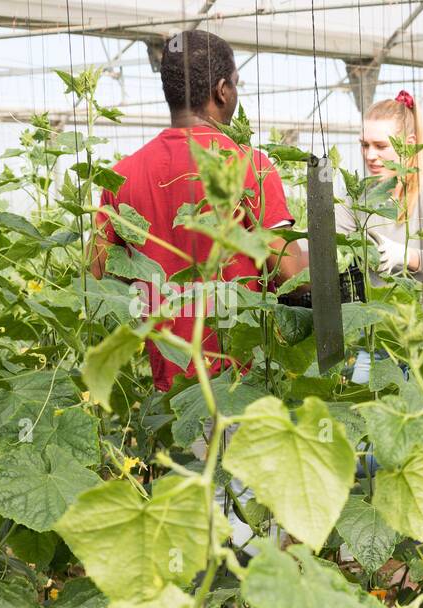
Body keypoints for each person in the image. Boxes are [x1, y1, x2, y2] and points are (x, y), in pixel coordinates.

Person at [89, 29, 306, 392]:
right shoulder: (250, 165)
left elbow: (97, 277)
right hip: (240, 383)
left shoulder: (121, 176)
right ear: (222, 90)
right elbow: (288, 274)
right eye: (235, 84)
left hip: (169, 388)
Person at [335, 90, 423, 386]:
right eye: (364, 145)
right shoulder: (356, 200)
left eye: (380, 146)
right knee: (366, 409)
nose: (370, 155)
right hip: (381, 337)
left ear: (409, 145)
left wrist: (408, 257)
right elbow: (332, 252)